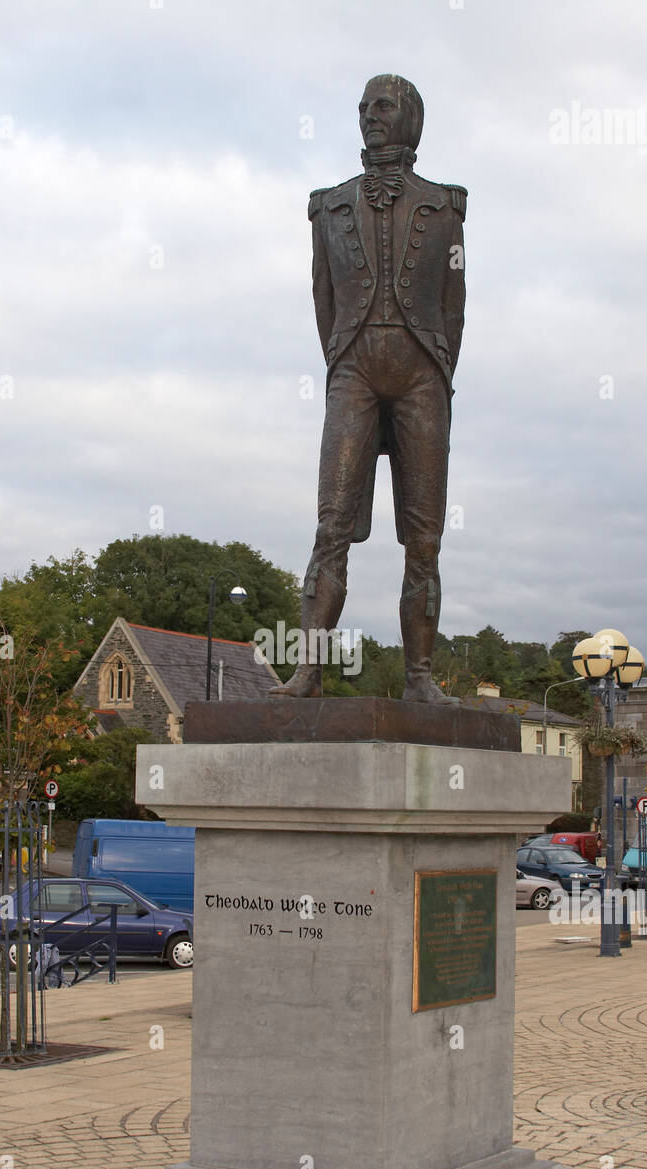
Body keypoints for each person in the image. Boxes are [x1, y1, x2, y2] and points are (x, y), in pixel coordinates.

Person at [274, 74, 466, 702]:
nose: (369, 116)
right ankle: (309, 669)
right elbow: (321, 295)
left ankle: (418, 677)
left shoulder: (445, 206)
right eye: (363, 108)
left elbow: (454, 301)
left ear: (410, 118)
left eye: (382, 107)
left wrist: (436, 370)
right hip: (353, 366)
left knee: (426, 535)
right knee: (330, 525)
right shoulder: (328, 205)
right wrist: (344, 357)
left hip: (421, 373)